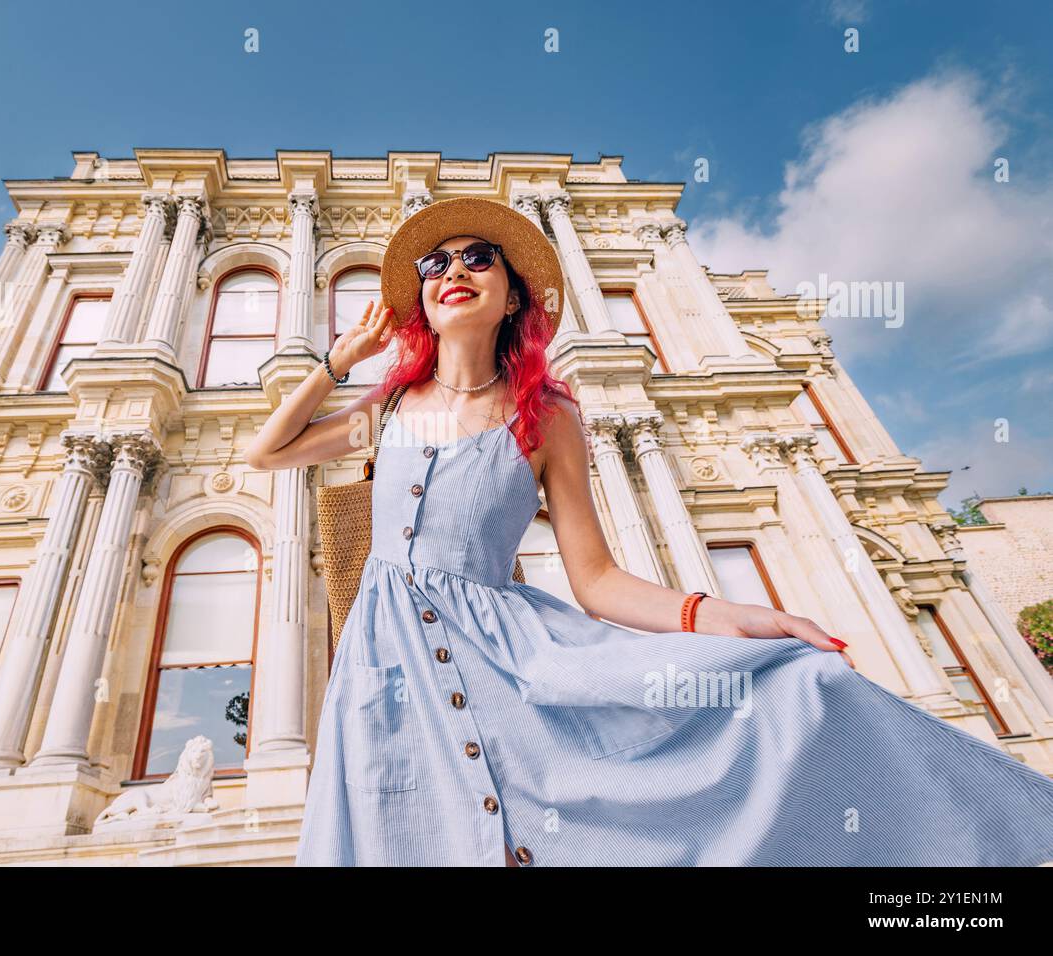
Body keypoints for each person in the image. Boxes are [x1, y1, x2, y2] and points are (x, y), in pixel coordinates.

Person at [246, 196, 1053, 866]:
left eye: (478, 257)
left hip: (514, 660)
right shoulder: (384, 412)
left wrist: (721, 615)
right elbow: (268, 449)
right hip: (384, 673)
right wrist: (339, 358)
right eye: (435, 264)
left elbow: (594, 579)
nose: (453, 271)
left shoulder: (546, 417)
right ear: (419, 298)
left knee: (801, 687)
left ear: (516, 294)